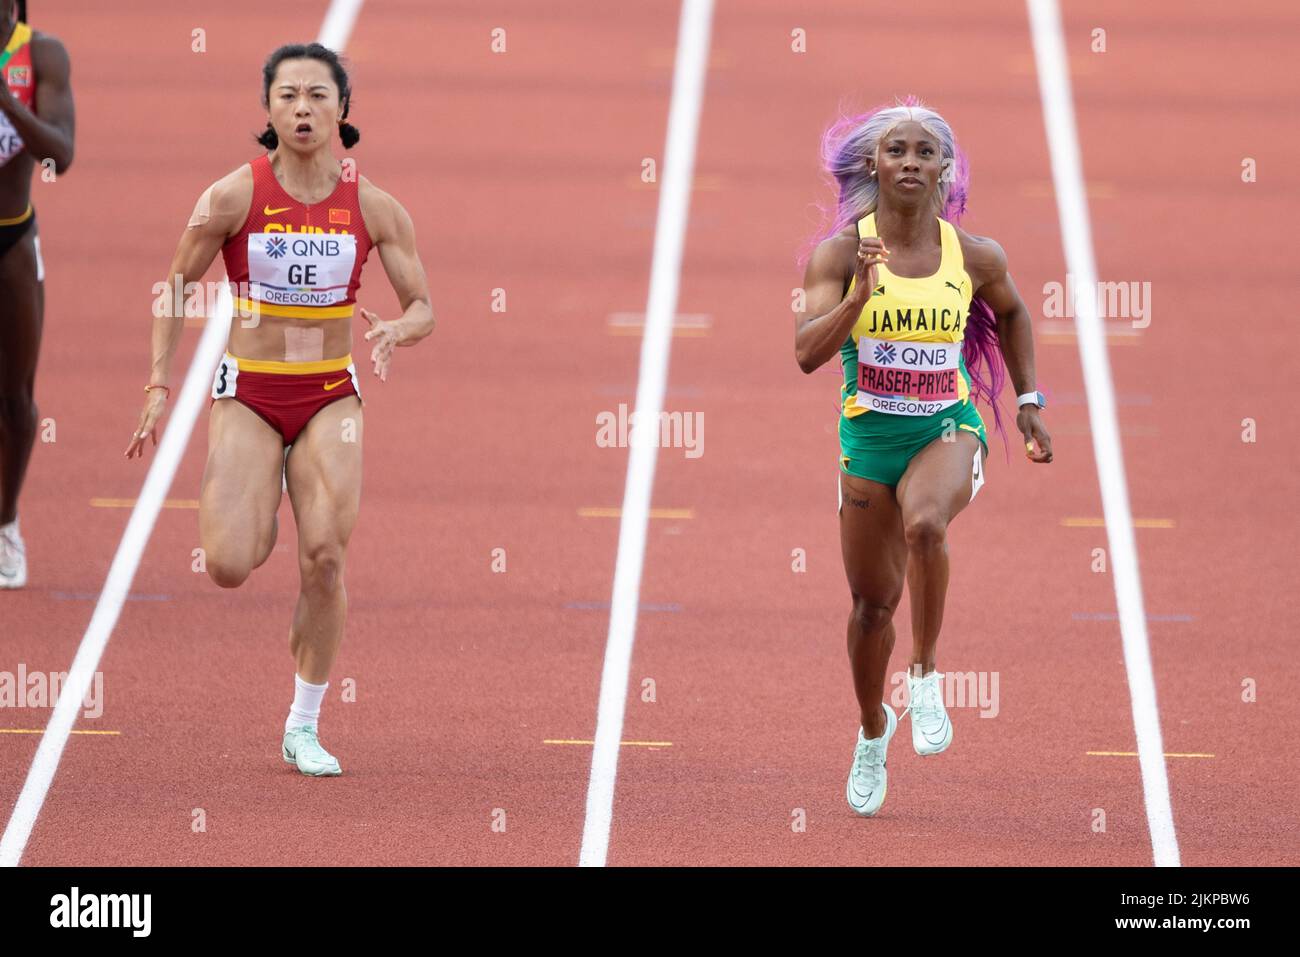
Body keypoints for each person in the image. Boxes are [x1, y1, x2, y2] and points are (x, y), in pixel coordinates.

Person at [125, 42, 435, 775]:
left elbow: (424, 304)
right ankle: (263, 492)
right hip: (252, 392)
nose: (303, 108)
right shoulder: (232, 196)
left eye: (318, 95)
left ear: (342, 110)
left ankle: (304, 722)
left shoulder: (375, 206)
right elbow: (172, 283)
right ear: (268, 110)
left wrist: (397, 328)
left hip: (330, 394)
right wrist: (158, 385)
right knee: (229, 562)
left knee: (325, 558)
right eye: (289, 95)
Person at [795, 99, 1053, 816]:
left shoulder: (973, 255)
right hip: (869, 440)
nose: (910, 161)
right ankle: (874, 728)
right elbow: (805, 354)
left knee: (927, 525)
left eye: (924, 151)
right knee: (872, 607)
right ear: (874, 166)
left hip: (946, 423)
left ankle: (927, 671)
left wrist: (1029, 399)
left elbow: (1013, 311)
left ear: (945, 169)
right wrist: (860, 298)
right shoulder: (841, 255)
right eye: (896, 150)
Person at [0, 0, 74, 588]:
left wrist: (3, 97)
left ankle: (6, 525)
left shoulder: (40, 54)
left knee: (16, 401)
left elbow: (61, 154)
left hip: (12, 241)